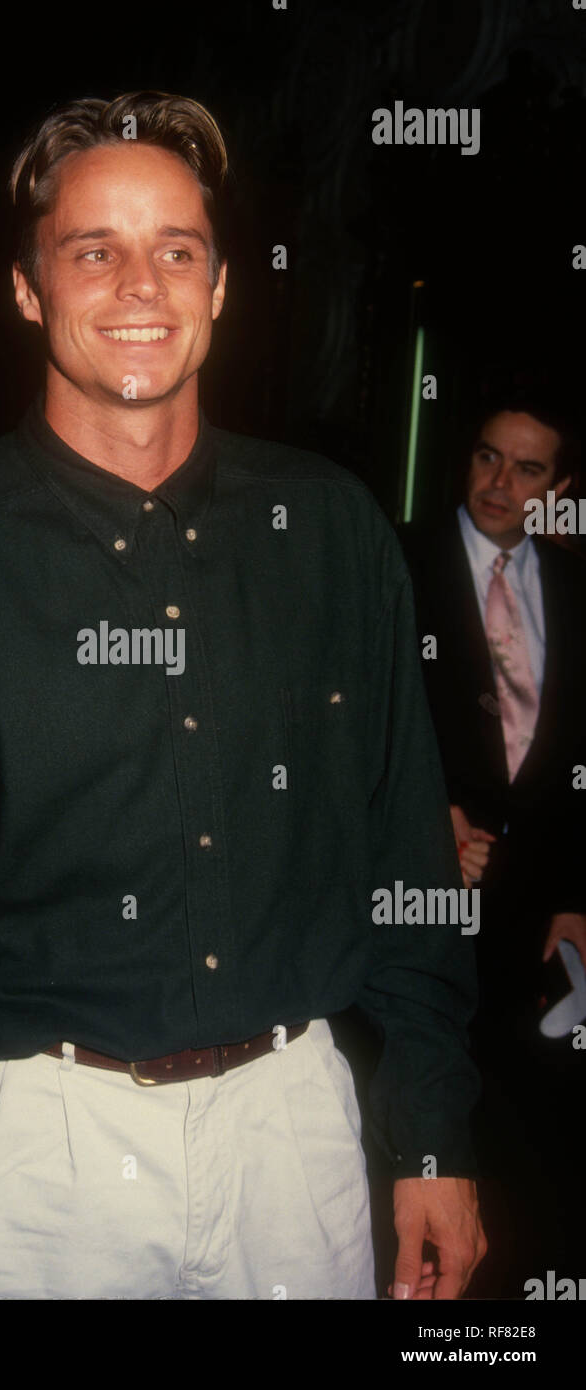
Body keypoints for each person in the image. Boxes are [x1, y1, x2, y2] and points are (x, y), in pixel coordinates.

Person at [0, 91, 485, 1302]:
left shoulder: (332, 532)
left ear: (221, 285)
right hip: (30, 1163)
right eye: (95, 251)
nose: (142, 286)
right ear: (29, 290)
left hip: (296, 1142)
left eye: (177, 250)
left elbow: (405, 860)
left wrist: (435, 1130)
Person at [400, 400, 586, 1295]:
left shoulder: (575, 588)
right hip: (400, 925)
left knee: (518, 1171)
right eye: (486, 457)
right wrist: (416, 813)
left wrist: (576, 898)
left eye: (527, 470)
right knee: (400, 1152)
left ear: (562, 489)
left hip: (526, 939)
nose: (498, 484)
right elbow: (334, 725)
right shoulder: (395, 562)